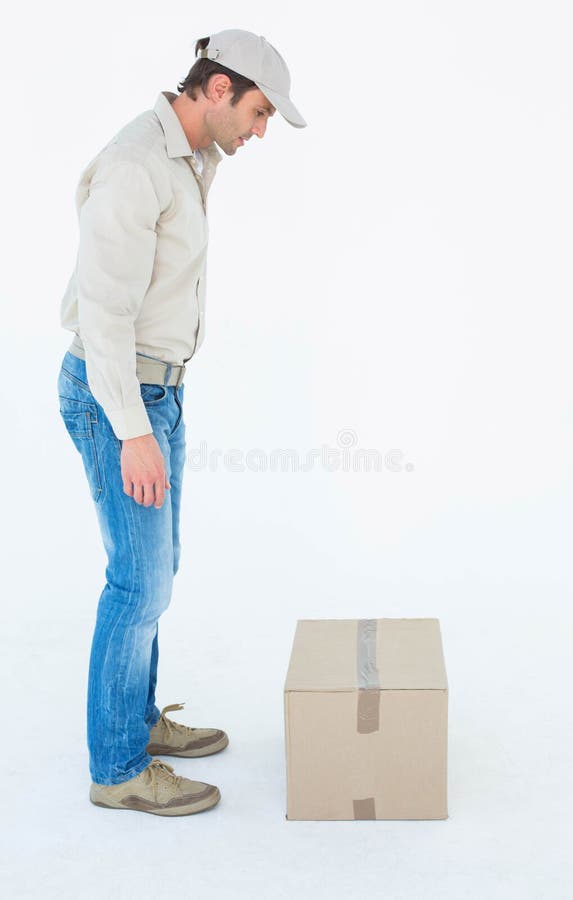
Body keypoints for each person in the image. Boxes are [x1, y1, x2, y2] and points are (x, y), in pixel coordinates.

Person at [57, 28, 306, 817]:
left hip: (158, 392)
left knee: (155, 573)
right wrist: (132, 427)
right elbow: (103, 314)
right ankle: (118, 768)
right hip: (117, 394)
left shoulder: (192, 158)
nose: (261, 131)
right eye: (260, 112)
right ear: (219, 87)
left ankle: (135, 721)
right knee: (137, 582)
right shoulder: (139, 165)